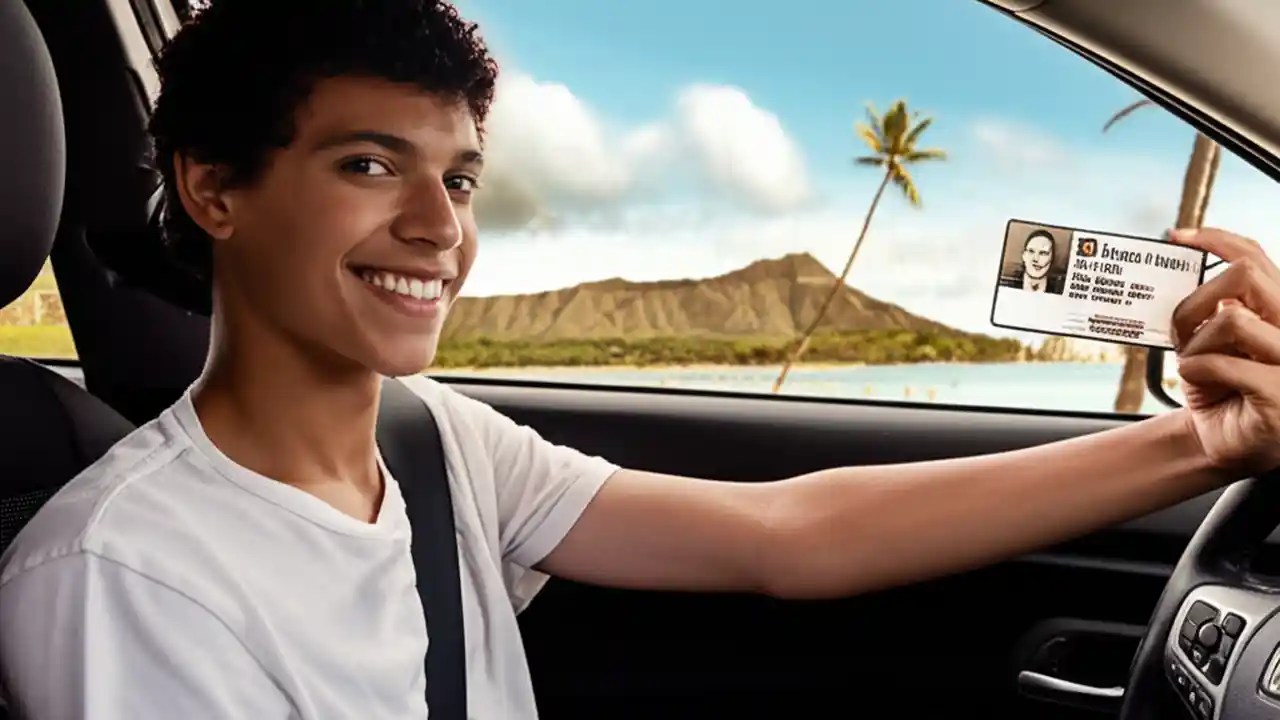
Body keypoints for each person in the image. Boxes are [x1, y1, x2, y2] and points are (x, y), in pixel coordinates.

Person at [2, 1, 1280, 718]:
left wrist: (1199, 443)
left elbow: (789, 537)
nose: (439, 228)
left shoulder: (433, 441)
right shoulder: (122, 575)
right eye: (368, 164)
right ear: (214, 190)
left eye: (458, 177)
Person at [1000, 228, 1066, 294]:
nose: (1036, 259)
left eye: (1043, 253)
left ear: (1052, 258)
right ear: (1024, 255)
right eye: (1031, 251)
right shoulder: (1005, 286)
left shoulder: (1059, 291)